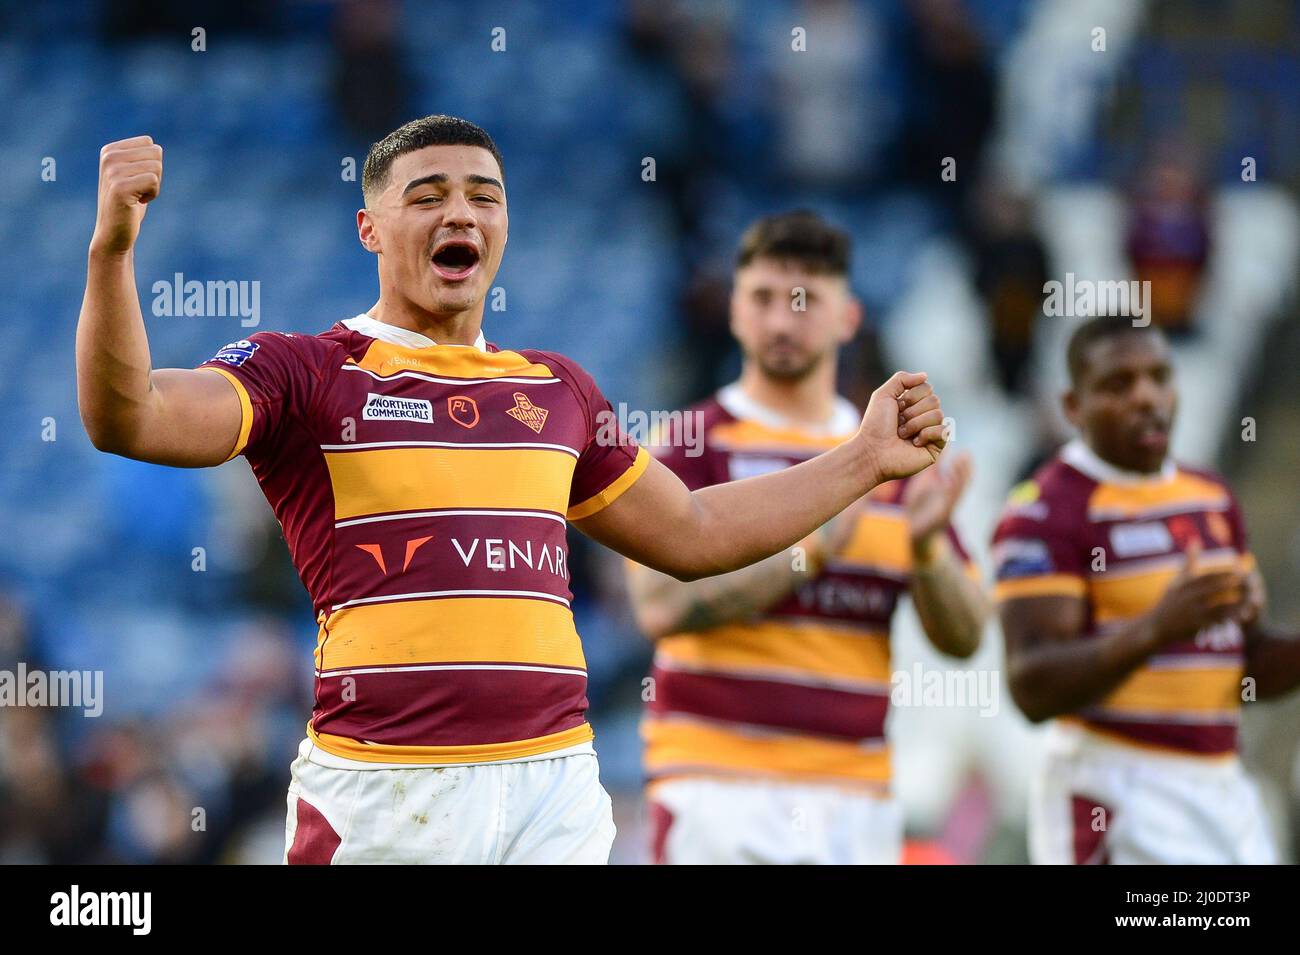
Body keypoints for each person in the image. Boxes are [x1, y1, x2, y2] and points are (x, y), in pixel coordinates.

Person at [76, 116, 950, 864]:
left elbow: (694, 531)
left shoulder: (558, 389)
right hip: (388, 786)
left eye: (483, 195)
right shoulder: (305, 370)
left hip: (554, 784)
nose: (460, 210)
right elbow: (134, 417)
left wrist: (864, 458)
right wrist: (112, 249)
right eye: (426, 195)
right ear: (369, 228)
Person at [626, 211, 987, 864]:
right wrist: (812, 544)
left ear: (848, 317)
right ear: (735, 311)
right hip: (716, 783)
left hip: (854, 797)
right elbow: (659, 606)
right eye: (762, 299)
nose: (782, 321)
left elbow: (966, 638)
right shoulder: (689, 440)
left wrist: (929, 551)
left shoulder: (895, 450)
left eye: (805, 301)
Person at [992, 316, 1300, 864]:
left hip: (1222, 788)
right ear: (1073, 405)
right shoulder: (1046, 510)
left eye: (1160, 377)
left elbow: (1243, 667)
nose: (1146, 398)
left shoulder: (1211, 497)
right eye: (1119, 384)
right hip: (1114, 793)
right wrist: (1158, 628)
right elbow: (1032, 687)